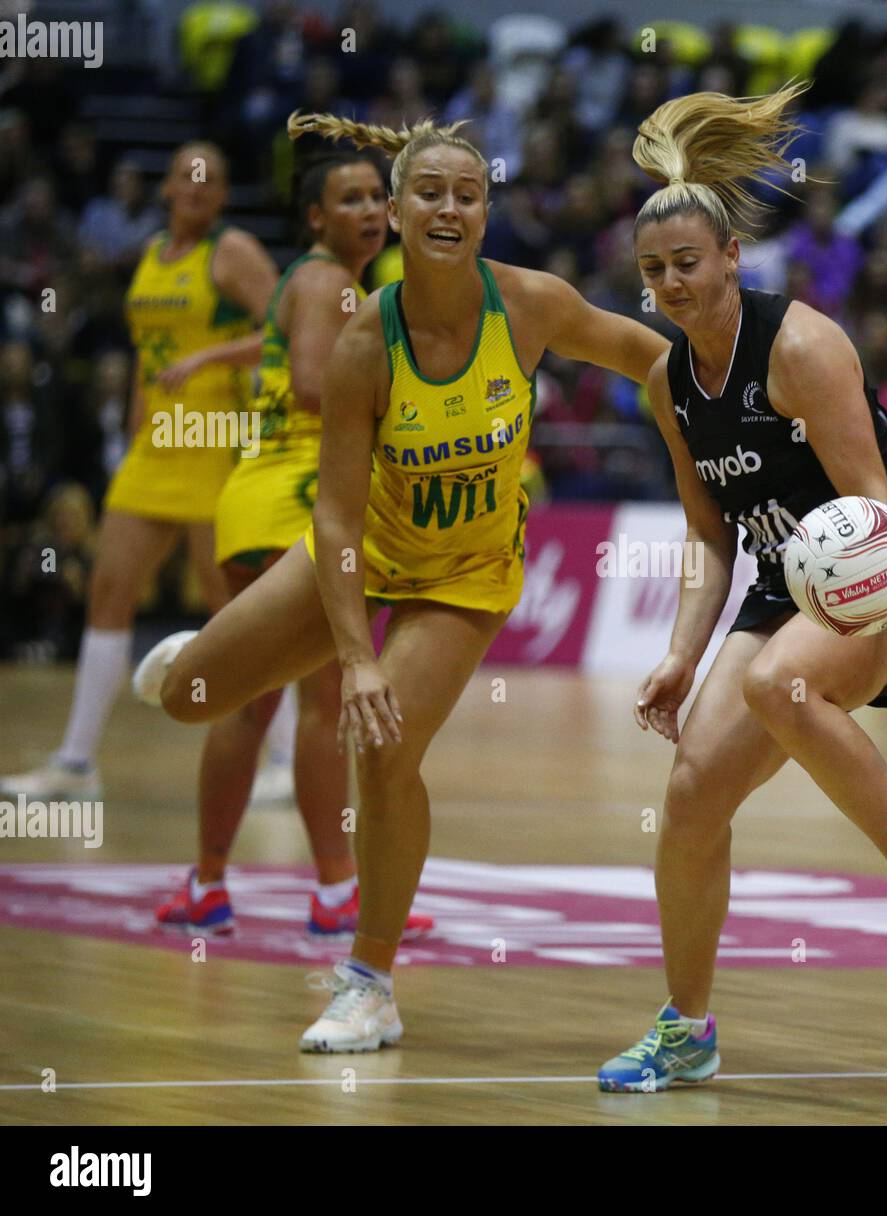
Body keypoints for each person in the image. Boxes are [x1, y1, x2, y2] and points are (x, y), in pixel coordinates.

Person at [132, 110, 668, 1051]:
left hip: (465, 575)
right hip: (367, 549)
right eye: (429, 193)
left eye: (468, 194)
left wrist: (734, 406)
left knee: (383, 750)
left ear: (487, 212)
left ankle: (369, 985)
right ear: (397, 210)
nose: (449, 208)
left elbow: (649, 357)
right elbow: (336, 520)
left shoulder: (531, 304)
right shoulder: (362, 341)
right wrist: (354, 658)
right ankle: (205, 655)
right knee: (189, 700)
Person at [597, 86, 887, 1093]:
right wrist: (680, 655)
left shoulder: (802, 345)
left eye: (687, 262)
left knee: (780, 684)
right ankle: (685, 1028)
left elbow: (874, 502)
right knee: (692, 795)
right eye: (653, 271)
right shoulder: (669, 382)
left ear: (731, 257)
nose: (671, 283)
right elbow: (707, 533)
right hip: (788, 587)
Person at [152, 150, 431, 940]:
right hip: (299, 501)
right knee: (321, 703)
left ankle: (207, 883)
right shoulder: (330, 282)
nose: (370, 211)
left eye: (377, 197)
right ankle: (338, 890)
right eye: (350, 199)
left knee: (248, 703)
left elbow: (284, 365)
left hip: (256, 497)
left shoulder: (313, 280)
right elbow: (313, 384)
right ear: (315, 217)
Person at [1, 142, 277, 801]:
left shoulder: (233, 252)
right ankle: (75, 765)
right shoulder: (151, 255)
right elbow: (144, 358)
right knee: (108, 590)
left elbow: (288, 332)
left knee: (235, 608)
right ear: (167, 188)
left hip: (214, 441)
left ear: (223, 194)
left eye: (211, 179)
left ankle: (287, 761)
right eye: (187, 176)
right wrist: (131, 436)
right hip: (153, 448)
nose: (197, 188)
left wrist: (210, 359)